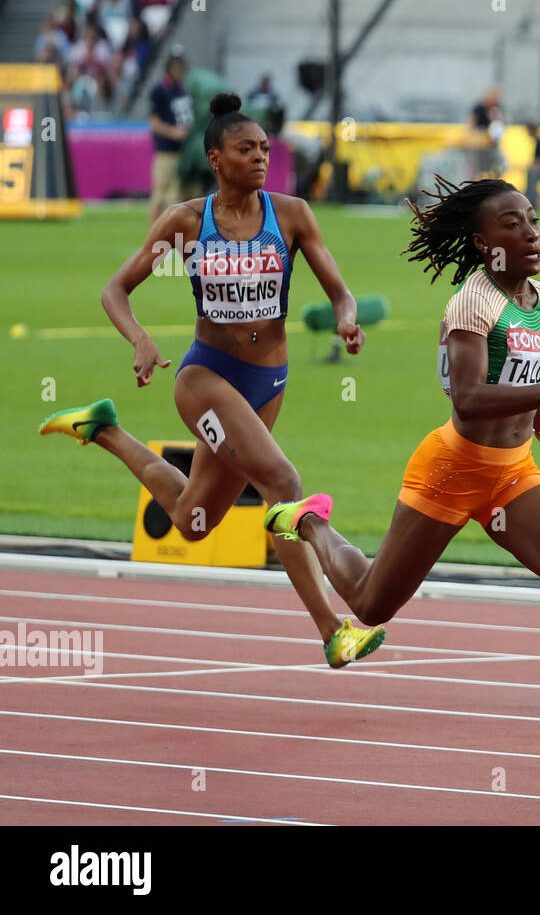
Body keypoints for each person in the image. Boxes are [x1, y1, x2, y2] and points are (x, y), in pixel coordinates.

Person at [262, 175, 540, 776]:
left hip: (513, 474)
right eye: (512, 224)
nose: (530, 232)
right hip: (452, 469)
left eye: (533, 219)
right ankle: (311, 522)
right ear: (484, 243)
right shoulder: (472, 301)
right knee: (373, 605)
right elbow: (468, 396)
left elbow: (518, 373)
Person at [40, 93, 386, 669]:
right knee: (282, 480)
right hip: (205, 377)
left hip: (269, 381)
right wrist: (142, 340)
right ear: (215, 157)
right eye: (245, 148)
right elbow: (115, 289)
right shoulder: (185, 221)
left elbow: (339, 291)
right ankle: (333, 630)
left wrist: (347, 318)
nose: (259, 157)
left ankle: (102, 429)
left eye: (265, 149)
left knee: (193, 521)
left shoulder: (293, 213)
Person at [148, 50, 193, 222]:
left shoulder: (182, 89)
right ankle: (153, 238)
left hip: (182, 152)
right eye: (176, 66)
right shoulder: (160, 90)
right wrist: (174, 133)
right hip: (166, 151)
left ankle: (173, 236)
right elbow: (155, 123)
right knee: (159, 195)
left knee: (178, 197)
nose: (179, 69)